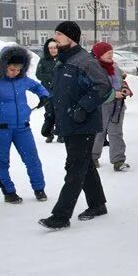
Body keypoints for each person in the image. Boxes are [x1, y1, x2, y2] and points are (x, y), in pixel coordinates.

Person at [40, 21, 112, 230]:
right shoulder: (62, 62)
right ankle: (97, 204)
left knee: (74, 167)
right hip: (69, 122)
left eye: (59, 35)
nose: (55, 39)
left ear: (71, 38)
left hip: (83, 124)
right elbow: (59, 95)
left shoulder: (84, 61)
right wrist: (50, 119)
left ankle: (61, 216)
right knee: (84, 164)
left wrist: (83, 107)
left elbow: (102, 85)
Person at [0, 45, 50, 204]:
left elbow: (38, 87)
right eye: (12, 69)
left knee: (32, 159)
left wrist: (43, 95)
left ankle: (39, 188)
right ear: (3, 65)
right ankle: (9, 191)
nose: (15, 72)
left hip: (22, 128)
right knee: (2, 161)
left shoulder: (23, 80)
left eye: (19, 69)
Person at [90, 42, 132, 172]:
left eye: (111, 52)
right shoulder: (94, 68)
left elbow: (121, 81)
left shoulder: (114, 66)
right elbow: (96, 88)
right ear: (98, 54)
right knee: (99, 133)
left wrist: (125, 89)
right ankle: (92, 157)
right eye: (106, 52)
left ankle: (118, 160)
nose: (110, 54)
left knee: (116, 132)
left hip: (117, 106)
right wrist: (113, 94)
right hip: (101, 106)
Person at [36, 38, 59, 143]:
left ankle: (60, 133)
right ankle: (49, 133)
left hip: (60, 91)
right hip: (47, 91)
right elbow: (38, 74)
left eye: (55, 47)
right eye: (51, 48)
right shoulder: (43, 60)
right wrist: (52, 77)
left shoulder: (62, 59)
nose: (53, 50)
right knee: (49, 113)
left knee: (60, 113)